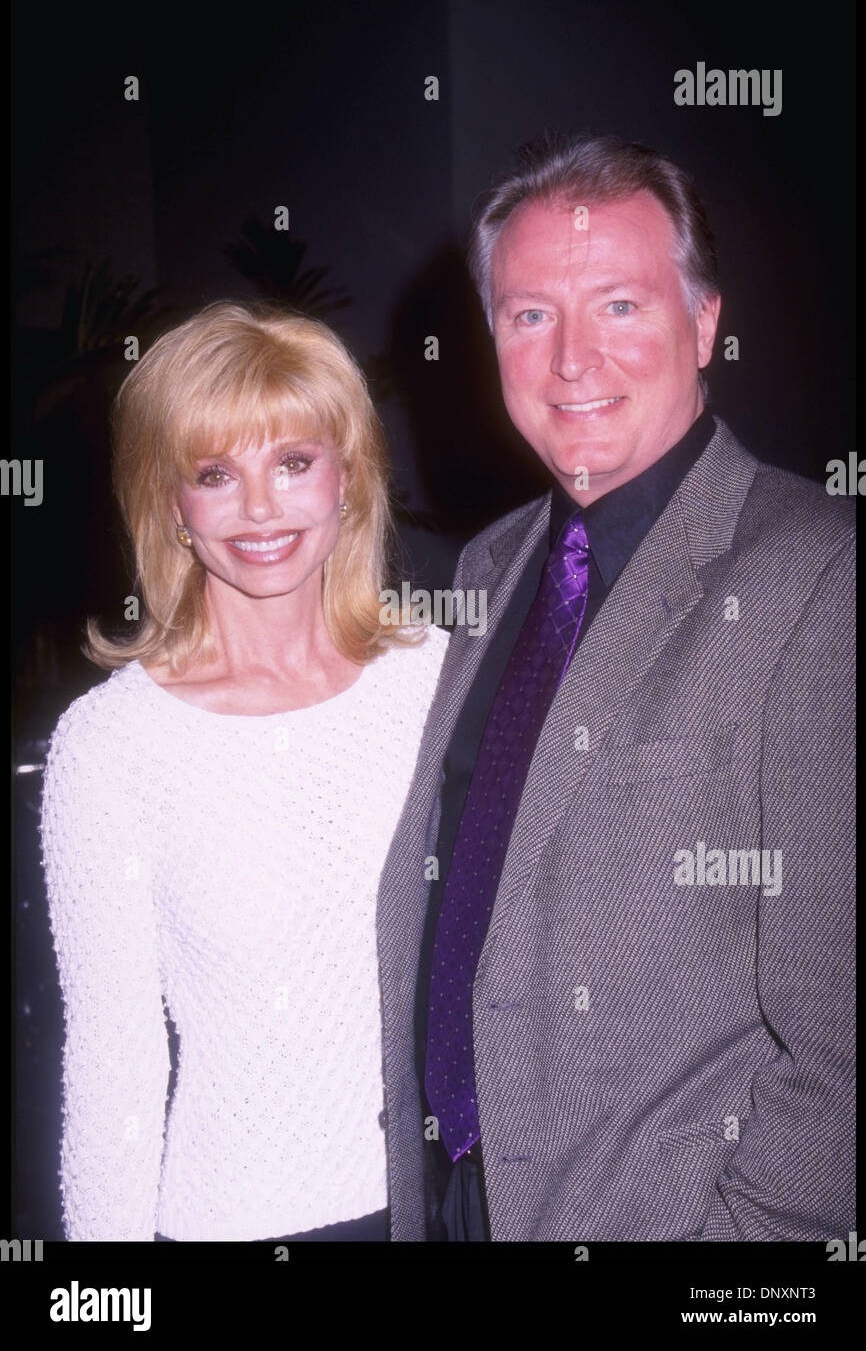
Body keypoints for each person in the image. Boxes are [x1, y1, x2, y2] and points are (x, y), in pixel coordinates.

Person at [376, 132, 855, 1241]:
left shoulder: (815, 574)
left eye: (620, 307)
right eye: (530, 315)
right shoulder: (489, 565)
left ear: (701, 323)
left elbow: (840, 1036)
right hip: (452, 1198)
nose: (570, 363)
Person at [39, 301, 449, 1241]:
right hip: (235, 1221)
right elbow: (115, 1062)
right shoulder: (110, 749)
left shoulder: (435, 679)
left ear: (348, 478)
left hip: (447, 1207)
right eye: (215, 475)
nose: (259, 508)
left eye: (293, 463)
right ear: (171, 506)